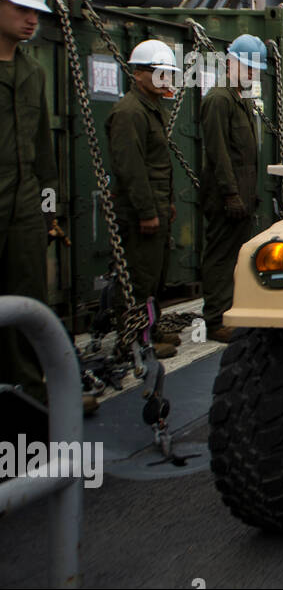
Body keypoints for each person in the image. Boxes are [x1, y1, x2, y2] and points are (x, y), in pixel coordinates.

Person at [0, 0, 65, 406]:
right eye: (22, 8)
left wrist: (47, 211)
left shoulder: (33, 72)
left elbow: (44, 154)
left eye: (36, 13)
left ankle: (31, 391)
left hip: (25, 209)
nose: (31, 19)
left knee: (28, 300)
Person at [106, 39, 180, 359]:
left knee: (154, 272)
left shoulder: (152, 109)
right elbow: (131, 168)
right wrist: (147, 211)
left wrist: (168, 203)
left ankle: (150, 325)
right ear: (139, 74)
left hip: (157, 205)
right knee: (136, 275)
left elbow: (159, 163)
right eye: (160, 73)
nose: (166, 79)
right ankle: (133, 339)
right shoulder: (129, 112)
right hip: (140, 210)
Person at [199, 34, 264, 343]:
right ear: (231, 62)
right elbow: (219, 154)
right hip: (227, 198)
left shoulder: (240, 99)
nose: (252, 73)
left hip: (242, 196)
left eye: (255, 69)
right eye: (247, 67)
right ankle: (215, 320)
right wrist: (231, 194)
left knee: (235, 258)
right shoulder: (218, 100)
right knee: (220, 258)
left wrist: (250, 193)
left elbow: (245, 157)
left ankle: (230, 312)